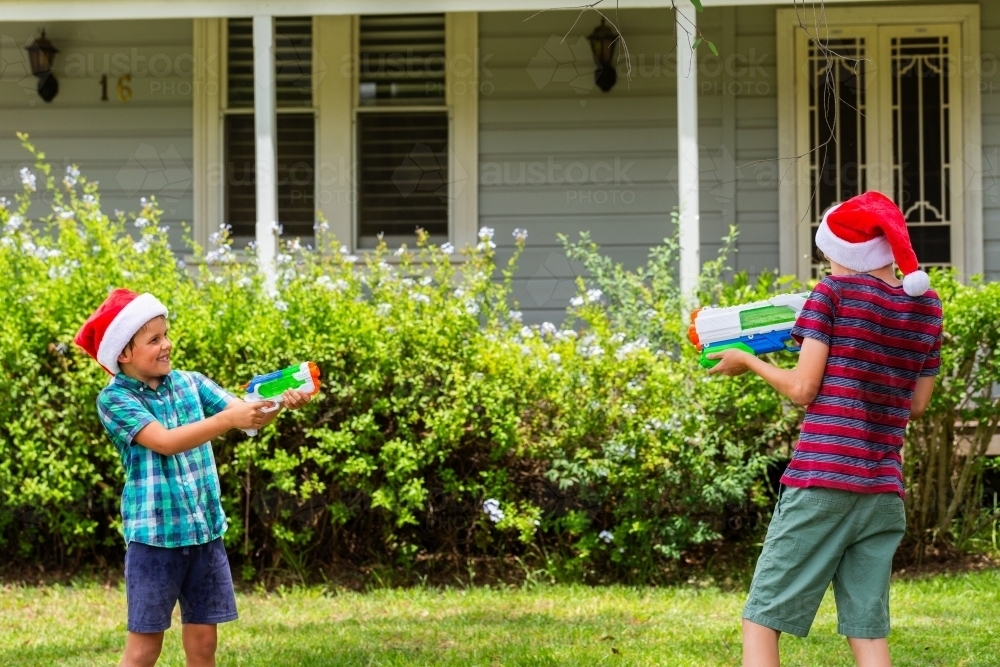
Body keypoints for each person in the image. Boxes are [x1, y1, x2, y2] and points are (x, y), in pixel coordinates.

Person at [706, 191, 944, 667]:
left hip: (823, 481)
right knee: (867, 630)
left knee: (762, 616)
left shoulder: (830, 295)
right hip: (882, 492)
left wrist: (747, 361)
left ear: (844, 253)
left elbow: (802, 389)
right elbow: (917, 405)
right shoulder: (927, 307)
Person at [74, 288, 312, 667]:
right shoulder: (115, 399)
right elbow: (165, 442)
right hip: (155, 540)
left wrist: (281, 401)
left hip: (204, 533)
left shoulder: (191, 382)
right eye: (154, 339)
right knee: (144, 649)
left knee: (203, 646)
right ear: (123, 353)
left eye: (166, 334)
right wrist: (228, 420)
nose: (166, 344)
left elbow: (247, 414)